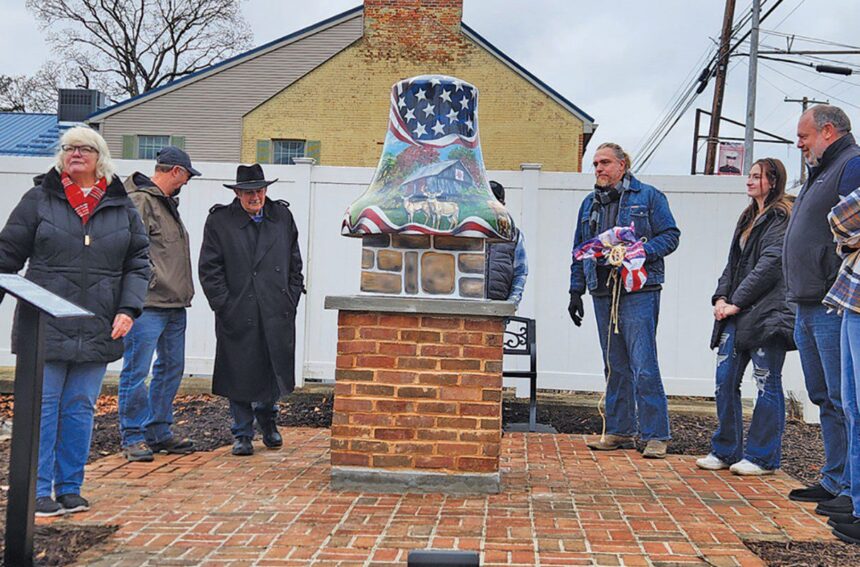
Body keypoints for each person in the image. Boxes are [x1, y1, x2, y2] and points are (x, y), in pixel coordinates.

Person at [0, 126, 149, 516]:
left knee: (80, 408)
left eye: (85, 148)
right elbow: (6, 256)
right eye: (69, 148)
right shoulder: (38, 200)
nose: (75, 153)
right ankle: (37, 491)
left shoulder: (121, 206)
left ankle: (70, 487)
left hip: (99, 324)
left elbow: (138, 263)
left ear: (100, 158)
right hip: (43, 326)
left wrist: (128, 309)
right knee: (43, 408)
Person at [568, 142, 680, 459]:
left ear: (622, 165)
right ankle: (619, 430)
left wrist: (640, 252)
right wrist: (575, 290)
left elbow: (671, 236)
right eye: (595, 164)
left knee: (643, 364)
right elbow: (580, 248)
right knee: (614, 365)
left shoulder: (649, 197)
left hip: (638, 290)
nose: (598, 169)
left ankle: (656, 435)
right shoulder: (589, 203)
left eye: (605, 162)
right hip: (602, 290)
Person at [783, 105, 860, 517]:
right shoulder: (821, 170)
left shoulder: (851, 165)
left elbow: (852, 228)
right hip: (807, 300)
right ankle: (834, 478)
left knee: (843, 398)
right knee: (824, 396)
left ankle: (850, 488)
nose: (799, 144)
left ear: (827, 131)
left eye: (804, 136)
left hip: (833, 301)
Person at [696, 158, 795, 476]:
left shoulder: (781, 216)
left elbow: (771, 264)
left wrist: (736, 302)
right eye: (749, 175)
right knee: (724, 381)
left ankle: (763, 458)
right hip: (735, 313)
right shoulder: (748, 216)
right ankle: (725, 450)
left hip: (768, 314)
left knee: (767, 382)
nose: (749, 180)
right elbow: (733, 264)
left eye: (756, 176)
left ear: (773, 181)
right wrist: (721, 297)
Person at [198, 164, 304, 457]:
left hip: (275, 308)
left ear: (266, 190)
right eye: (248, 192)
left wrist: (290, 297)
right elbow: (209, 269)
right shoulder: (220, 221)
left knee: (271, 370)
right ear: (237, 193)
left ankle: (268, 422)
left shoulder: (281, 216)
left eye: (259, 190)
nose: (254, 197)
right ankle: (242, 432)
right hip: (239, 309)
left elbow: (295, 262)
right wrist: (224, 305)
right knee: (239, 372)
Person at [118, 146, 201, 462]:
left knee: (171, 368)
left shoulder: (164, 203)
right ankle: (132, 436)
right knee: (136, 371)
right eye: (187, 175)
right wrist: (147, 284)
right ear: (176, 171)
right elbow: (129, 250)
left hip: (174, 305)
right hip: (148, 304)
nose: (187, 182)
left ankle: (158, 431)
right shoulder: (141, 201)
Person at [824, 185, 860, 543]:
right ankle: (857, 504)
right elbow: (839, 221)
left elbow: (841, 217)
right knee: (853, 408)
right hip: (853, 300)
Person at [485, 181, 528, 306]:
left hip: (499, 307)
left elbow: (520, 271)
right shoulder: (470, 231)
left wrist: (512, 301)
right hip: (469, 305)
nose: (492, 206)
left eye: (496, 202)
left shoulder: (513, 235)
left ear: (503, 205)